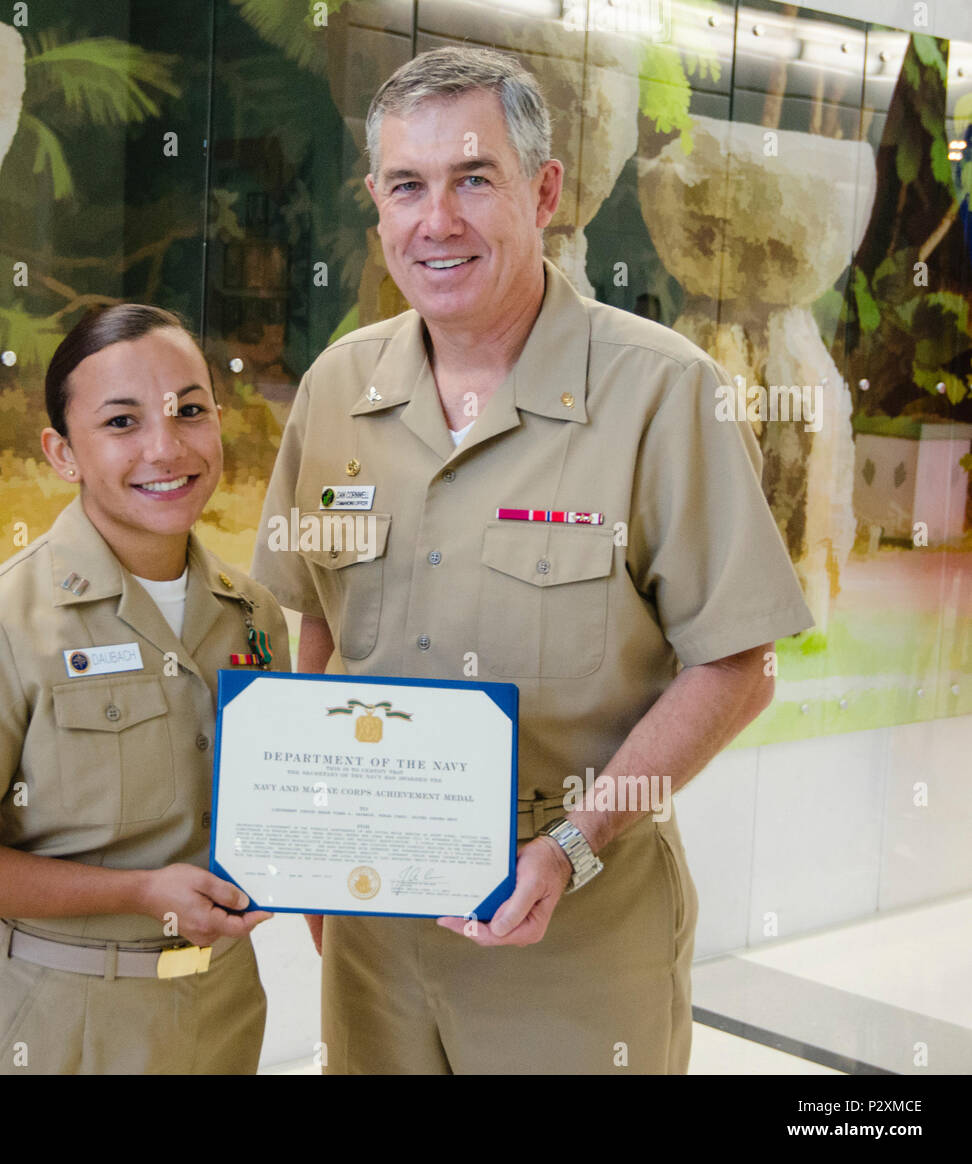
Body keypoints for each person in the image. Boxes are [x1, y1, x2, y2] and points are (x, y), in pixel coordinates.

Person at [250, 46, 816, 1074]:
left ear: (543, 190)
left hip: (577, 932)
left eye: (474, 179)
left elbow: (738, 669)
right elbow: (318, 627)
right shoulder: (337, 388)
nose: (439, 220)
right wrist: (313, 847)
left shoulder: (661, 393)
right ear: (377, 205)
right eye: (408, 187)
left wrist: (572, 847)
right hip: (374, 936)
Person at [0, 304, 289, 1074]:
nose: (166, 447)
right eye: (122, 423)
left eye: (189, 412)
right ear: (63, 454)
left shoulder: (253, 616)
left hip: (223, 1016)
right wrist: (138, 893)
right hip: (59, 1026)